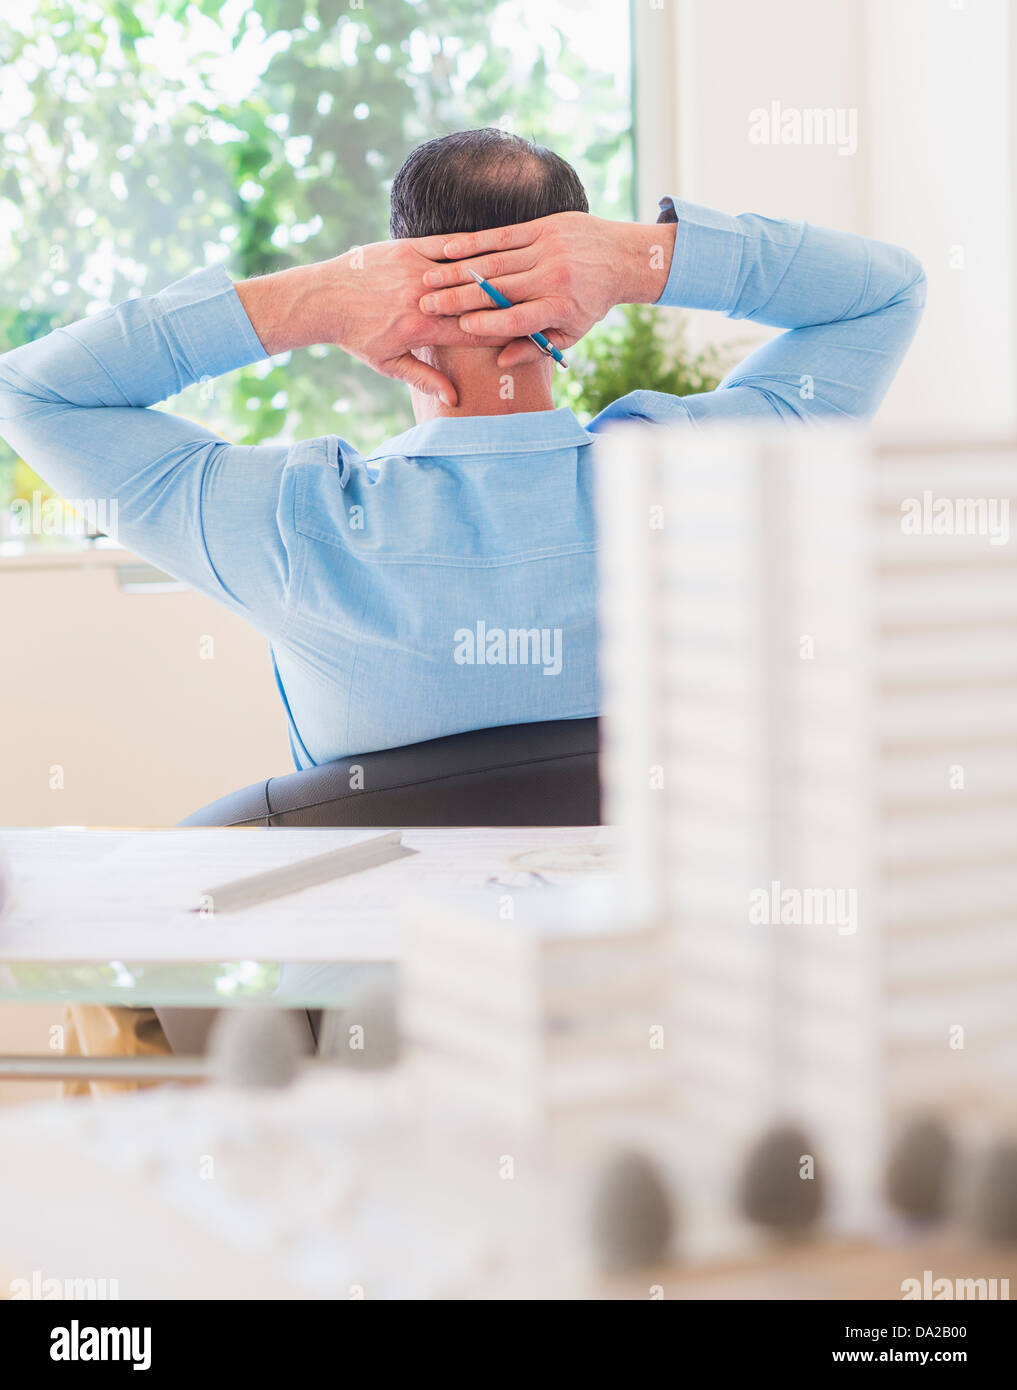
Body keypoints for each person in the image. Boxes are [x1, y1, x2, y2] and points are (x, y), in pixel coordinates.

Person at [0, 128, 926, 768]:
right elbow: (886, 293)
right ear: (572, 315)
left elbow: (33, 390)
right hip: (669, 1019)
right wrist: (641, 259)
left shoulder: (292, 527)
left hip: (387, 1026)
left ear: (394, 291)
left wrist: (316, 298)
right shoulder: (706, 478)